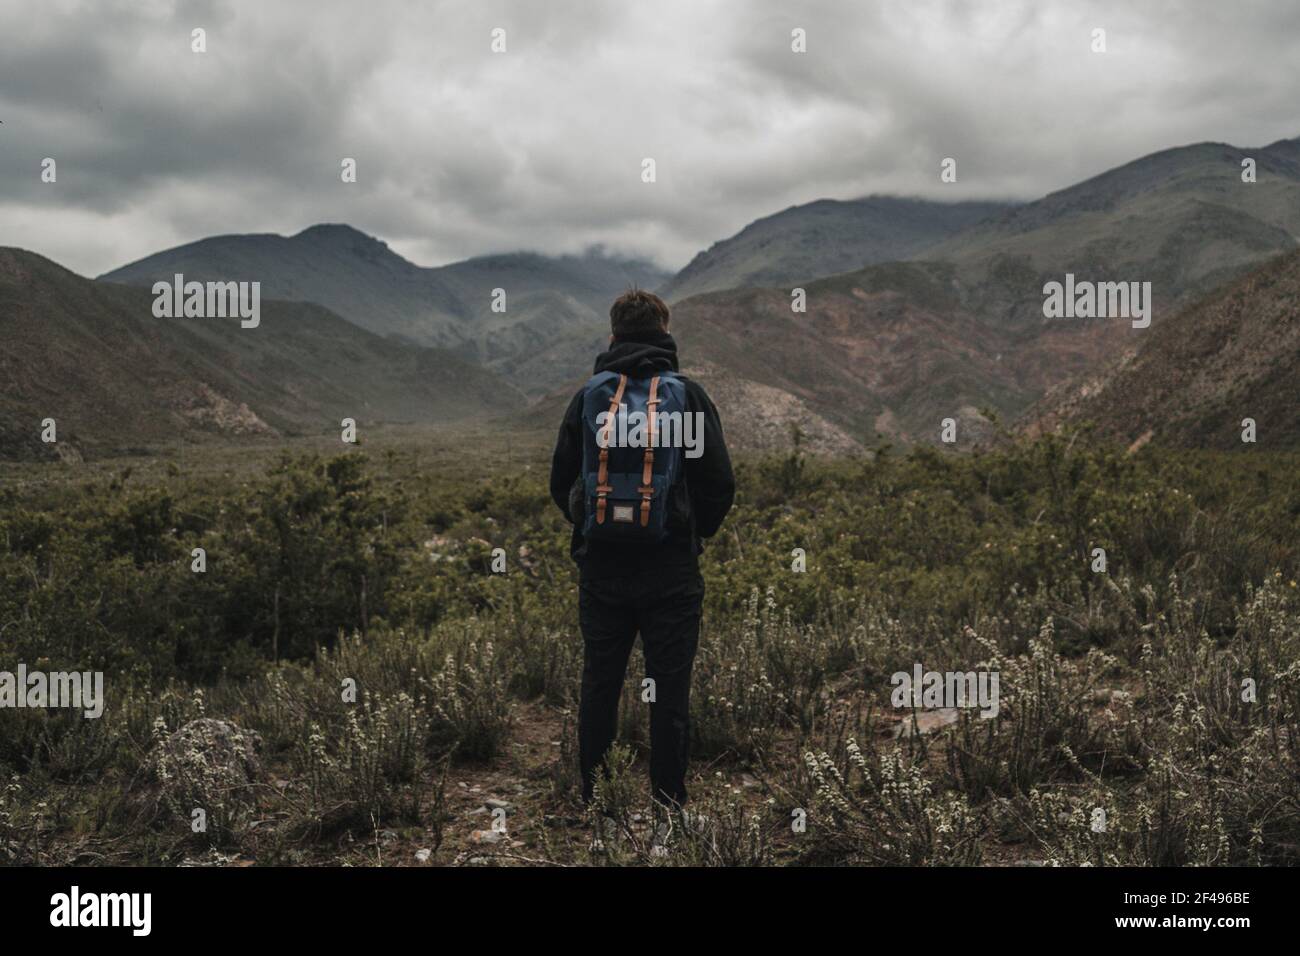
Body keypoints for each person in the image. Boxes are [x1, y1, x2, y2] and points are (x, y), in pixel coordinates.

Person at [549, 288, 734, 823]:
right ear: (665, 330)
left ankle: (599, 808)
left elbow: (561, 482)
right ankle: (668, 811)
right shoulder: (688, 396)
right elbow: (719, 483)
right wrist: (690, 535)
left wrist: (595, 531)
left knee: (600, 686)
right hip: (671, 572)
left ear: (613, 335)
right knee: (670, 691)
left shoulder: (589, 397)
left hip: (602, 571)